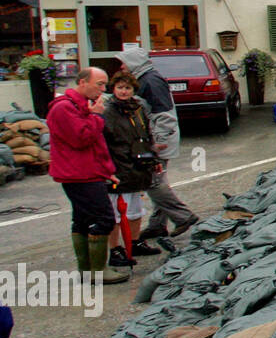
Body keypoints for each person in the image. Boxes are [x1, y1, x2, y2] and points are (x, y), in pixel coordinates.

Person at [46, 67, 128, 284]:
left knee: (82, 220)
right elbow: (82, 138)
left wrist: (106, 171)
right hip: (77, 175)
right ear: (82, 82)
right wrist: (97, 117)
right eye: (99, 84)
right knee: (104, 219)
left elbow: (95, 146)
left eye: (104, 85)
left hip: (86, 172)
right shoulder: (64, 108)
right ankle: (98, 271)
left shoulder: (80, 106)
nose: (103, 89)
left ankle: (87, 270)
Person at [117, 48, 198, 250]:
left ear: (134, 62)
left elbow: (163, 114)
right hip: (156, 138)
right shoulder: (145, 79)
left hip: (157, 139)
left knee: (153, 181)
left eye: (124, 62)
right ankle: (157, 225)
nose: (121, 66)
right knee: (158, 179)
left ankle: (184, 217)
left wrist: (158, 141)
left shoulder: (150, 81)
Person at [101, 70, 163, 265]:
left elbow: (147, 135)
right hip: (118, 166)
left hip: (139, 165)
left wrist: (154, 158)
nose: (123, 91)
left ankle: (134, 243)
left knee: (136, 209)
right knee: (115, 212)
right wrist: (106, 167)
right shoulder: (107, 110)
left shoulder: (138, 108)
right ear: (114, 89)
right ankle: (115, 250)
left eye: (127, 88)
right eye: (120, 88)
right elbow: (103, 139)